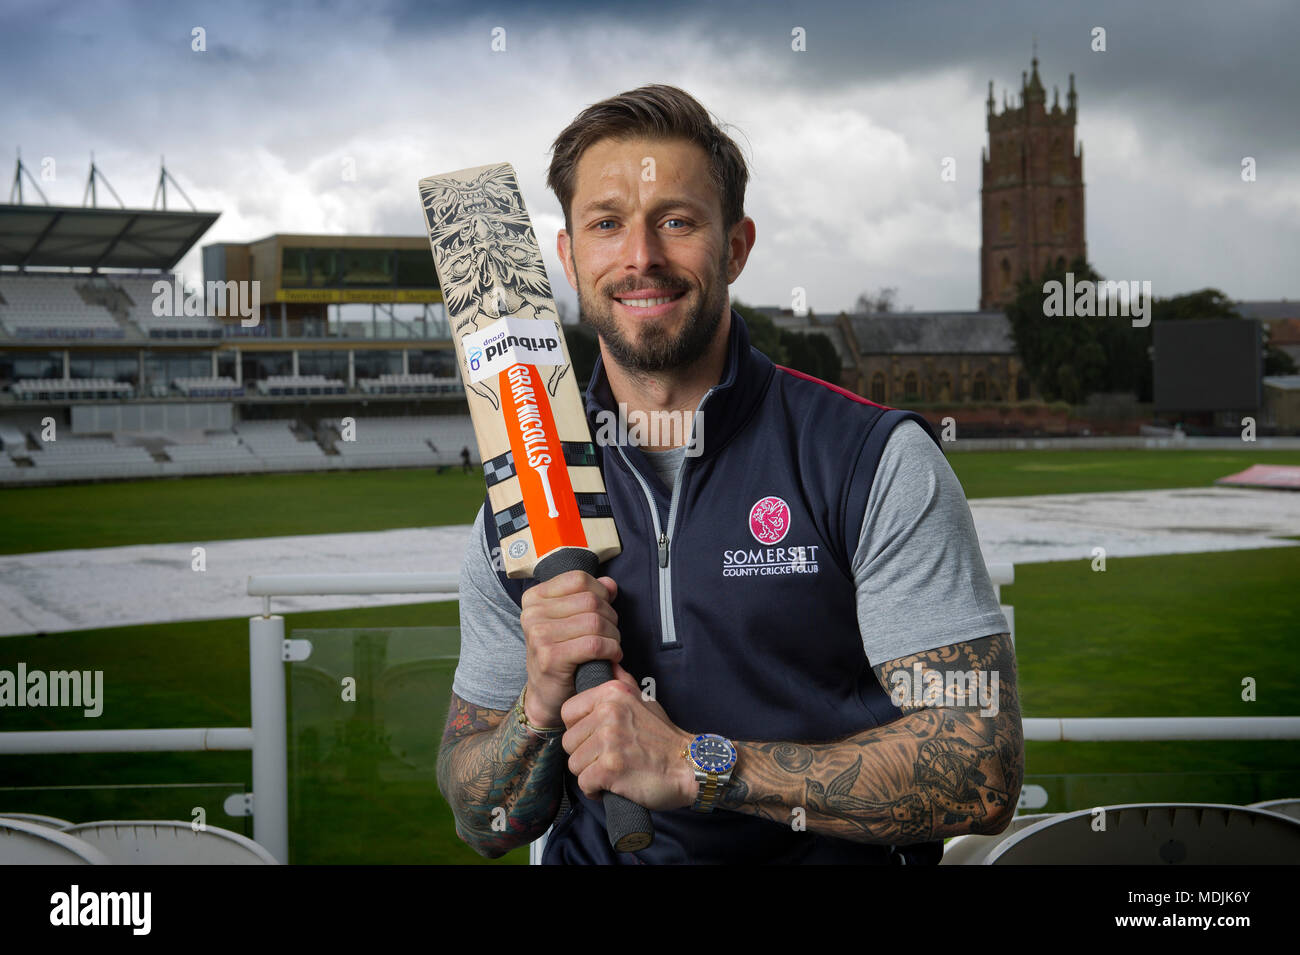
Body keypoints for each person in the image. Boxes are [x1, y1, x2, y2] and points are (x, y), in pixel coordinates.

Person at [437, 84, 1023, 864]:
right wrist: (540, 702)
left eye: (676, 222)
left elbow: (980, 768)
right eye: (607, 224)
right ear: (570, 258)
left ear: (737, 246)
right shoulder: (518, 507)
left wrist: (700, 766)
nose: (641, 257)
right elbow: (483, 822)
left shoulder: (869, 460)